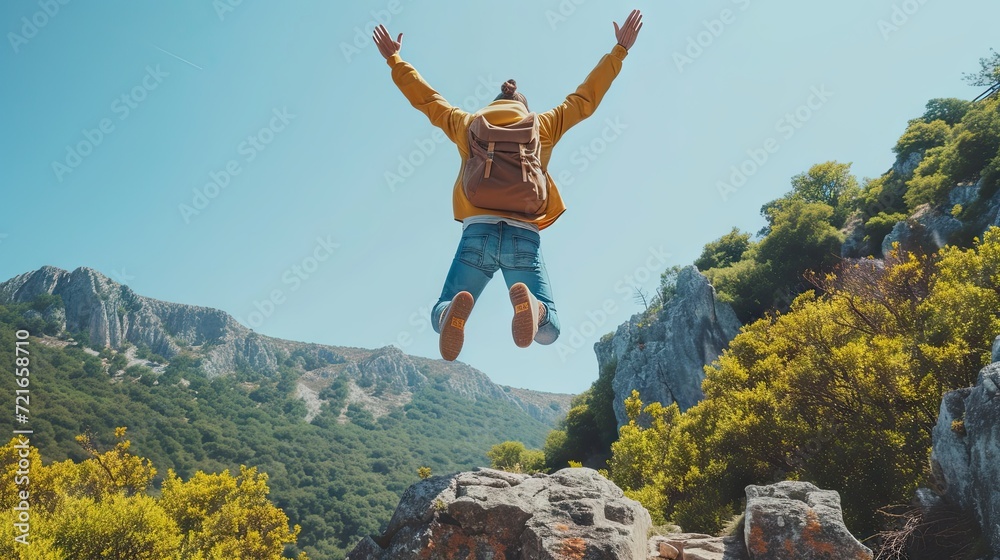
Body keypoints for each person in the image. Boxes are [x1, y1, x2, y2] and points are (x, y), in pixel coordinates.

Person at [373, 10, 643, 361]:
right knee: (550, 330)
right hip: (524, 237)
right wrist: (619, 50)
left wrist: (394, 59)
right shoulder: (542, 125)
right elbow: (584, 101)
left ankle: (452, 312)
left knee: (439, 309)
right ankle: (535, 308)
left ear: (494, 104)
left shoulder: (467, 124)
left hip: (477, 232)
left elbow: (427, 100)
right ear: (523, 107)